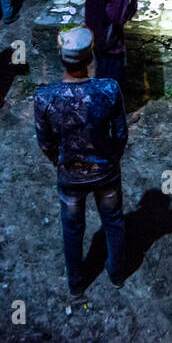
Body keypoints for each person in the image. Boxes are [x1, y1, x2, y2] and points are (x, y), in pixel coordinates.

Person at [34, 27, 129, 302]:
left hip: (70, 176)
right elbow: (121, 134)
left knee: (72, 227)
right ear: (89, 57)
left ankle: (76, 284)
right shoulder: (109, 89)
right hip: (106, 172)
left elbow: (46, 143)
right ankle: (117, 274)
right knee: (113, 221)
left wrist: (63, 163)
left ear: (62, 58)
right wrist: (110, 161)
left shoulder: (44, 97)